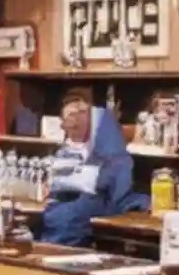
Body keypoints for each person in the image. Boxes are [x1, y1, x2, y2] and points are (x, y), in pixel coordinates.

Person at [39, 91, 147, 247]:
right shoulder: (68, 146)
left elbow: (113, 176)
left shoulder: (103, 127)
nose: (72, 120)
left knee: (70, 218)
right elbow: (57, 177)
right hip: (65, 207)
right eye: (68, 116)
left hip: (93, 202)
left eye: (80, 112)